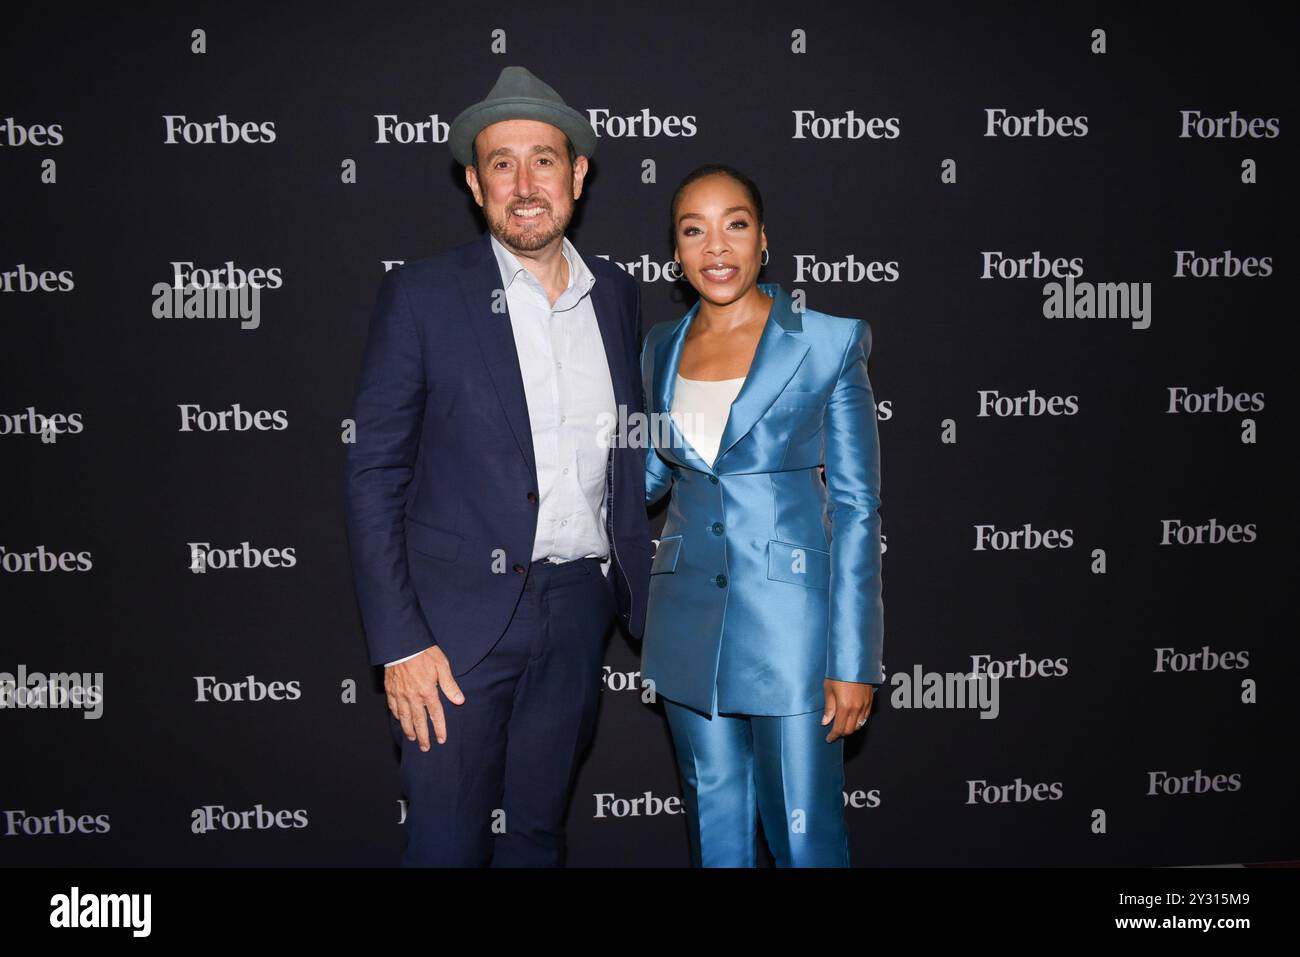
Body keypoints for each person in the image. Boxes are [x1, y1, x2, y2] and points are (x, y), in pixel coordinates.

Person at [344, 65, 651, 866]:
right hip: (452, 631)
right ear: (476, 184)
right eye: (501, 163)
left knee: (537, 838)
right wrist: (400, 642)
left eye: (543, 160)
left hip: (580, 609)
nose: (524, 183)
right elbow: (375, 473)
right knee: (445, 847)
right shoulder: (423, 296)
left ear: (577, 176)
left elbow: (632, 458)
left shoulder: (616, 297)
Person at [640, 164, 884, 867]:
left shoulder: (827, 342)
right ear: (677, 255)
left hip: (794, 633)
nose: (717, 247)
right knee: (715, 835)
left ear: (763, 240)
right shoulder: (660, 345)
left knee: (805, 841)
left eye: (735, 224)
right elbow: (653, 474)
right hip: (687, 625)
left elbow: (858, 508)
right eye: (695, 231)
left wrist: (853, 656)